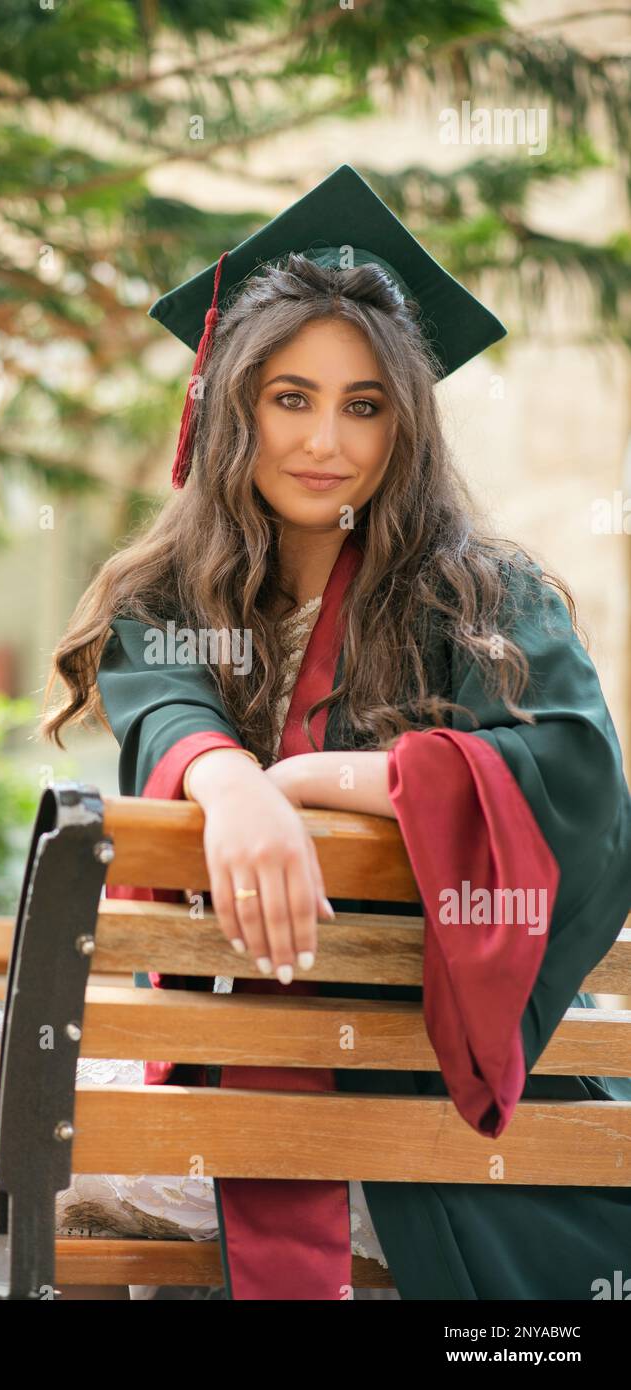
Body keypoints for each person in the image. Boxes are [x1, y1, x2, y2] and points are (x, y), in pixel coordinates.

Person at [42, 163, 631, 1300]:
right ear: (231, 408)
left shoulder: (485, 596)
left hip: (433, 1078)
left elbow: (582, 781)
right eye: (290, 396)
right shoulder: (168, 601)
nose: (327, 440)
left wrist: (345, 773)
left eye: (364, 404)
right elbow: (167, 705)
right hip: (242, 1079)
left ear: (405, 422)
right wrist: (236, 785)